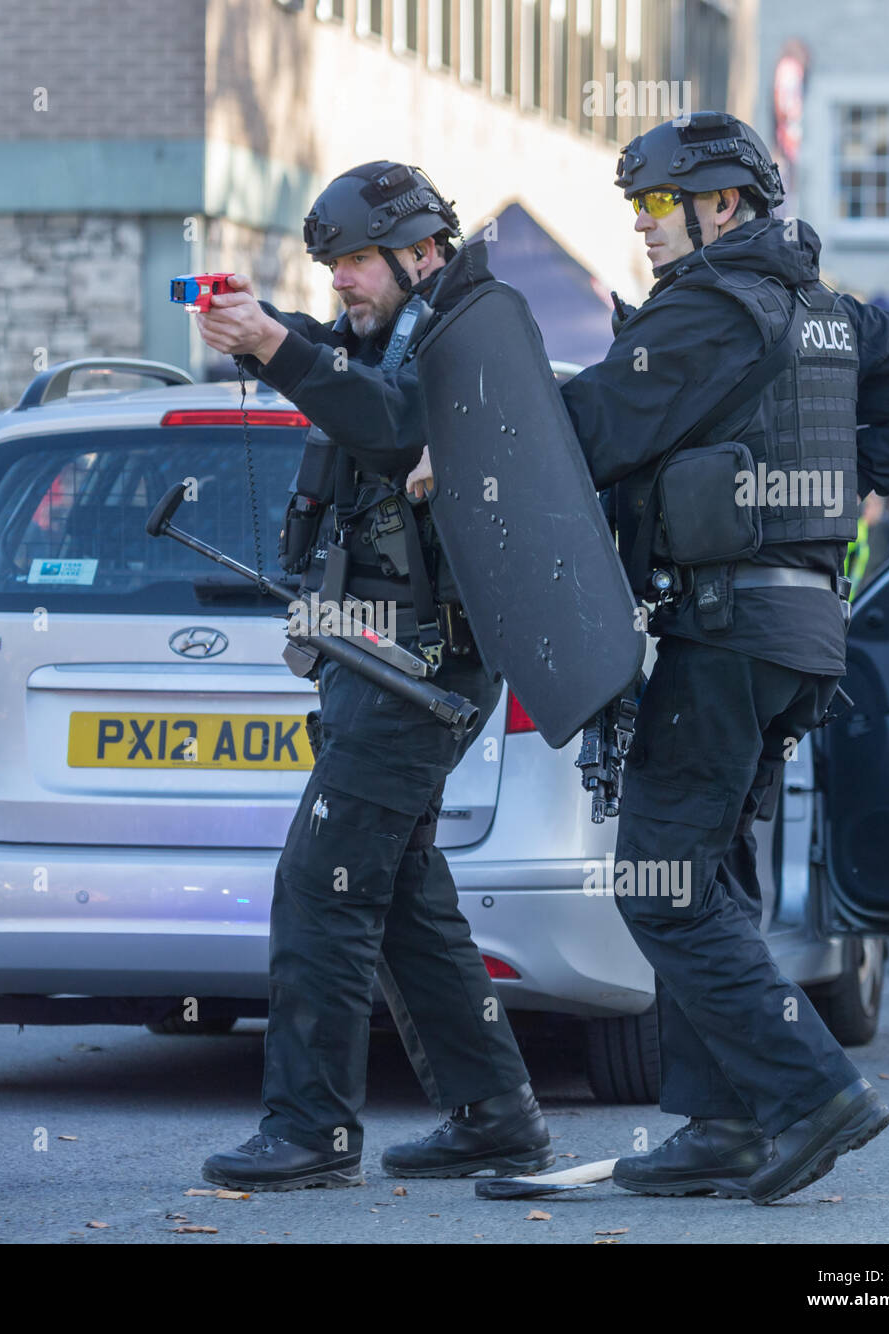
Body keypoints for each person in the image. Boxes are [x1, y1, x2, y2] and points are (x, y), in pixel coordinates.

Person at [556, 111, 889, 1204]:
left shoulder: (704, 306)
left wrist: (456, 442)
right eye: (636, 206)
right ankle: (721, 1122)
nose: (643, 225)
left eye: (657, 204)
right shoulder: (822, 311)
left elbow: (586, 427)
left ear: (722, 207)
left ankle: (809, 1089)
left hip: (725, 628)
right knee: (716, 871)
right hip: (795, 633)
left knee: (661, 883)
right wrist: (851, 477)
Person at [191, 161, 552, 1191]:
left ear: (421, 250)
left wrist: (272, 344)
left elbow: (394, 419)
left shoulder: (479, 327)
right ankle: (496, 1116)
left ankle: (310, 1130)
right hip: (371, 654)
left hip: (424, 658)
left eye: (354, 261)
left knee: (323, 877)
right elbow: (357, 381)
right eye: (332, 264)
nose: (341, 281)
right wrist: (262, 330)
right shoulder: (384, 331)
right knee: (397, 890)